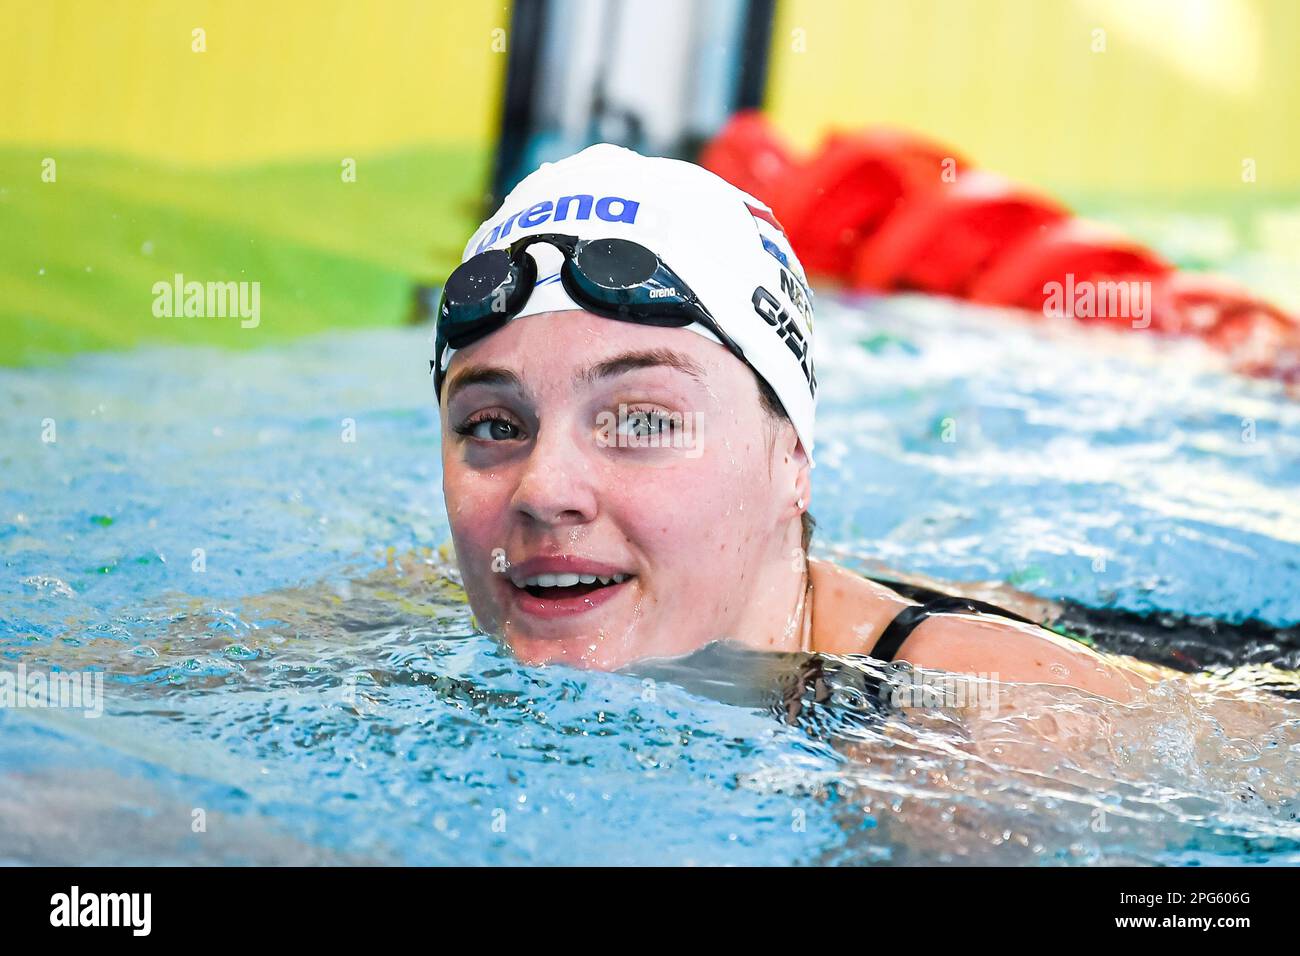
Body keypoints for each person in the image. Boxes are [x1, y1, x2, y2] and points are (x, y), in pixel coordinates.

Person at [432, 143, 1153, 702]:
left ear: (793, 461)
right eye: (493, 426)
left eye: (643, 423)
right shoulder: (414, 620)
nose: (543, 488)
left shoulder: (985, 721)